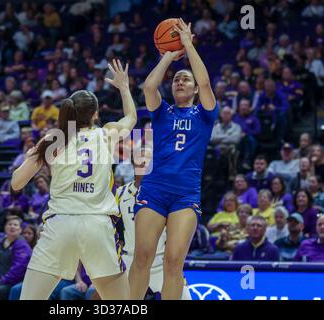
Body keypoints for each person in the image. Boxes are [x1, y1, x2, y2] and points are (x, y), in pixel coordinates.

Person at [11, 59, 136, 300]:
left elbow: (16, 183)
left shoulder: (53, 138)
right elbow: (131, 117)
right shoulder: (106, 133)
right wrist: (124, 87)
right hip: (98, 226)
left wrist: (32, 156)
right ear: (96, 114)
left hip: (60, 225)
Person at [130, 19, 218, 300]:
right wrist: (169, 55)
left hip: (185, 195)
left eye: (186, 79)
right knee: (142, 257)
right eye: (177, 79)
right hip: (154, 190)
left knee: (173, 263)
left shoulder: (205, 114)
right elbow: (148, 87)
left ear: (194, 90)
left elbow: (204, 80)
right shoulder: (162, 112)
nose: (180, 81)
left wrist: (188, 45)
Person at [116, 150, 191, 300]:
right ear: (133, 163)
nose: (144, 162)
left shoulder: (166, 192)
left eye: (148, 159)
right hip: (130, 259)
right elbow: (111, 228)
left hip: (161, 261)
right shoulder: (120, 192)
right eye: (140, 158)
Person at [210, 106, 242, 179]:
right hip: (218, 148)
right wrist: (227, 136)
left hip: (230, 148)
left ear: (231, 115)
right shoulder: (215, 126)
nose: (226, 115)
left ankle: (232, 173)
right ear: (221, 115)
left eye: (228, 113)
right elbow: (211, 138)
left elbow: (236, 140)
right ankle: (212, 175)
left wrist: (220, 138)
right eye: (224, 113)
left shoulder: (237, 127)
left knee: (234, 151)